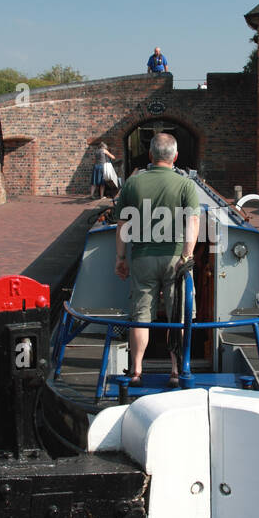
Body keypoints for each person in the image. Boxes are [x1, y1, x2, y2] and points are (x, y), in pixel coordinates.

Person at [114, 132, 199, 385]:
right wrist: (187, 255)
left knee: (141, 314)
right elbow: (193, 222)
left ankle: (137, 370)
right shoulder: (185, 185)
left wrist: (121, 258)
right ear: (176, 156)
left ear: (150, 155)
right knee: (178, 314)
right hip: (175, 258)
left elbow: (122, 224)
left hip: (142, 258)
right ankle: (176, 369)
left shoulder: (133, 184)